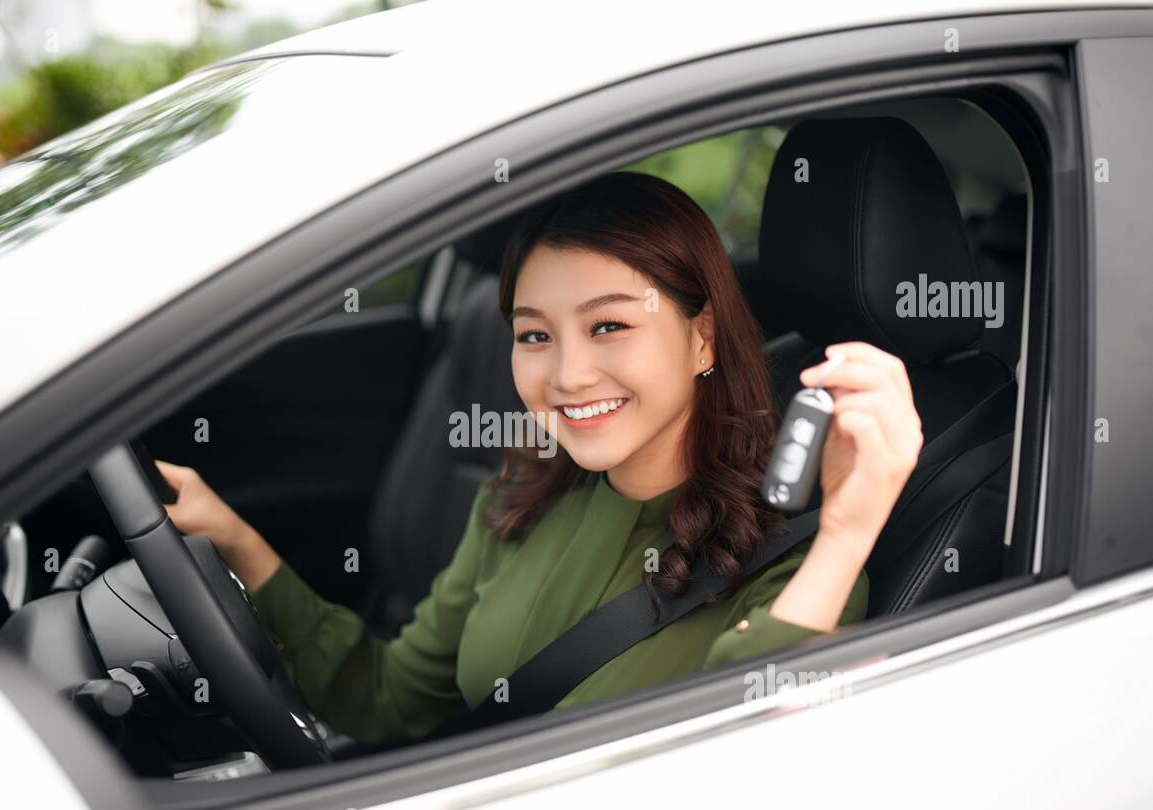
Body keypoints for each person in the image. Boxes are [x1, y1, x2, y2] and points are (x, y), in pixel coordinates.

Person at [158, 171, 923, 744]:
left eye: (609, 327)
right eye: (534, 335)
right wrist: (233, 537)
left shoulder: (792, 562)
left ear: (703, 339)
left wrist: (848, 531)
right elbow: (390, 697)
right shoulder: (522, 489)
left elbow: (744, 750)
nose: (565, 376)